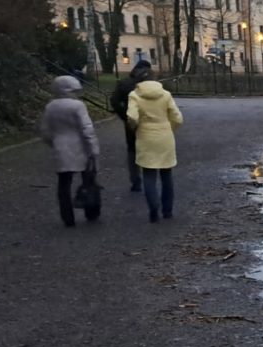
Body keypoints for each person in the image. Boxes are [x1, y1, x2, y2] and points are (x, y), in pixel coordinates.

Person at [38, 75, 100, 227]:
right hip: (80, 145)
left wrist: (52, 142)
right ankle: (91, 210)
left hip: (60, 145)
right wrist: (93, 148)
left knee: (64, 185)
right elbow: (86, 128)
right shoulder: (77, 106)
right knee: (89, 180)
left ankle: (67, 217)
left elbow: (45, 130)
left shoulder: (50, 106)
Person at [125, 72, 184, 223]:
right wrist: (169, 128)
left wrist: (135, 127)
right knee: (166, 174)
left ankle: (153, 207)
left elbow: (131, 116)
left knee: (148, 174)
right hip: (165, 136)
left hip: (145, 136)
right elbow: (178, 118)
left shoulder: (134, 95)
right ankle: (168, 210)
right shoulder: (165, 94)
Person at [110, 61, 152, 191]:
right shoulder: (151, 85)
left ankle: (135, 180)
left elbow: (114, 101)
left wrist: (124, 116)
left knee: (132, 150)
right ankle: (148, 178)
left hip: (130, 122)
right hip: (149, 122)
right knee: (147, 149)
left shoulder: (124, 84)